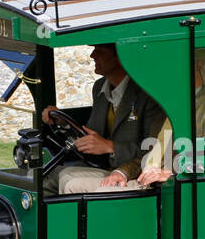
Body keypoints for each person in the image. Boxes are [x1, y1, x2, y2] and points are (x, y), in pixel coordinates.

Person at [67, 49, 205, 193]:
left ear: (198, 67)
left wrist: (169, 174)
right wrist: (122, 172)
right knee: (69, 181)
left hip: (170, 190)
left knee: (79, 188)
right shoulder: (171, 104)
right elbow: (149, 153)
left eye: (173, 65)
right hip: (144, 181)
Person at [41, 43, 164, 193]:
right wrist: (64, 124)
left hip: (134, 173)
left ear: (121, 56)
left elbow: (153, 150)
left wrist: (110, 147)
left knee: (71, 184)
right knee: (41, 176)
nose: (92, 55)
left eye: (100, 51)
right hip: (105, 167)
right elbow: (92, 136)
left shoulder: (147, 94)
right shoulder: (99, 87)